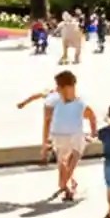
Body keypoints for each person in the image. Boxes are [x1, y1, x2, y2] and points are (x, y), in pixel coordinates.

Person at [42, 70, 96, 202]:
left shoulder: (76, 103)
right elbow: (91, 116)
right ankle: (66, 183)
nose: (57, 89)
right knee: (70, 157)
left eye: (59, 86)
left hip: (64, 135)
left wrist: (45, 141)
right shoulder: (72, 102)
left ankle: (66, 184)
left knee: (65, 159)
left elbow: (91, 116)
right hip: (64, 135)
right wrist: (94, 132)